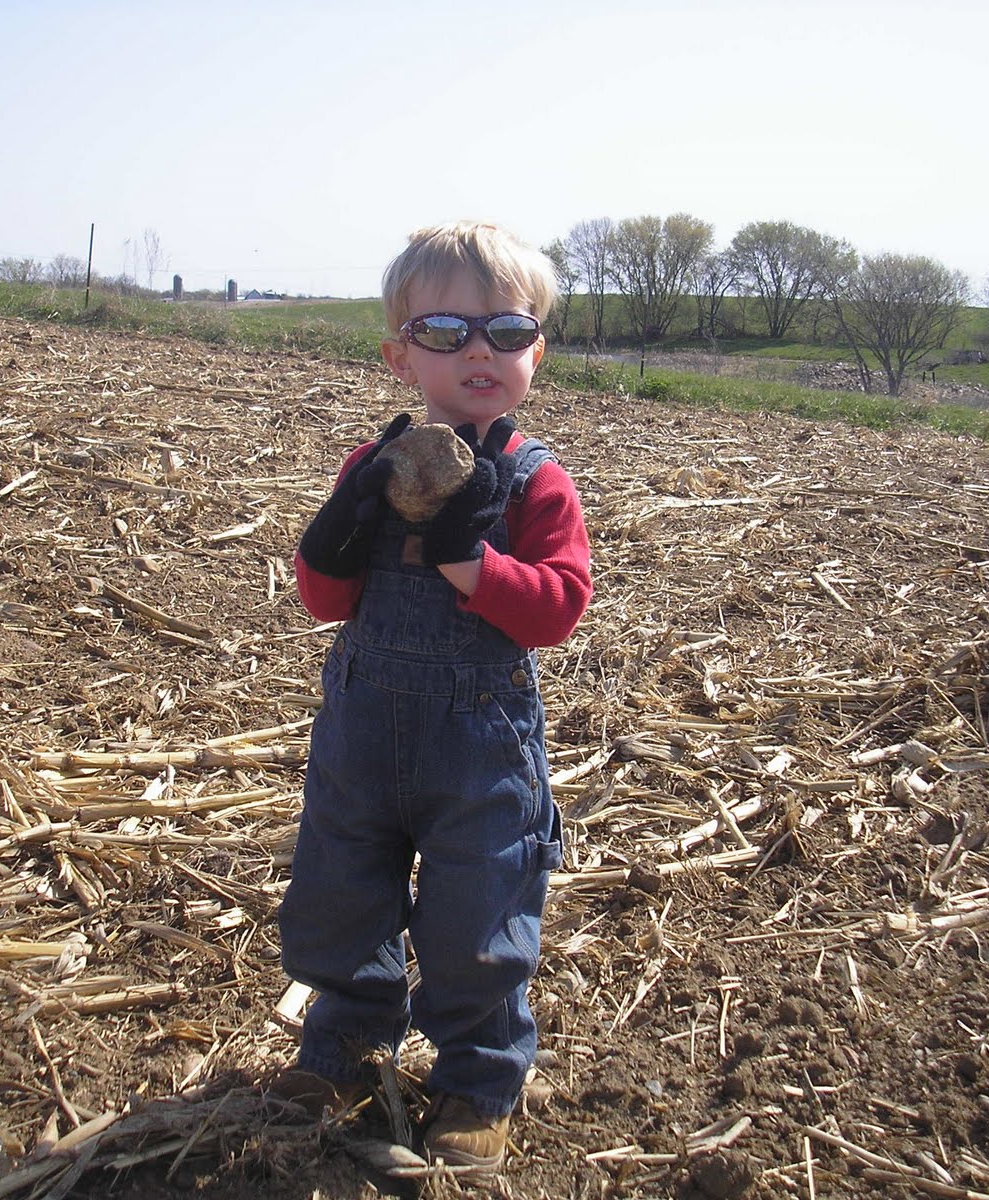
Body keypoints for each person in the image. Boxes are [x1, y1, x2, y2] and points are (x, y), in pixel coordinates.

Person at [274, 221, 593, 1175]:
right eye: (448, 330)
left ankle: (478, 1078)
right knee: (340, 892)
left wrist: (470, 562)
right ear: (401, 353)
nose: (479, 352)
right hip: (362, 730)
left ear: (536, 350)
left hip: (479, 746)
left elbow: (558, 611)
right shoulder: (370, 466)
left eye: (506, 329)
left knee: (480, 916)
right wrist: (334, 534)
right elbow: (327, 600)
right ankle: (342, 1046)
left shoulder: (537, 482)